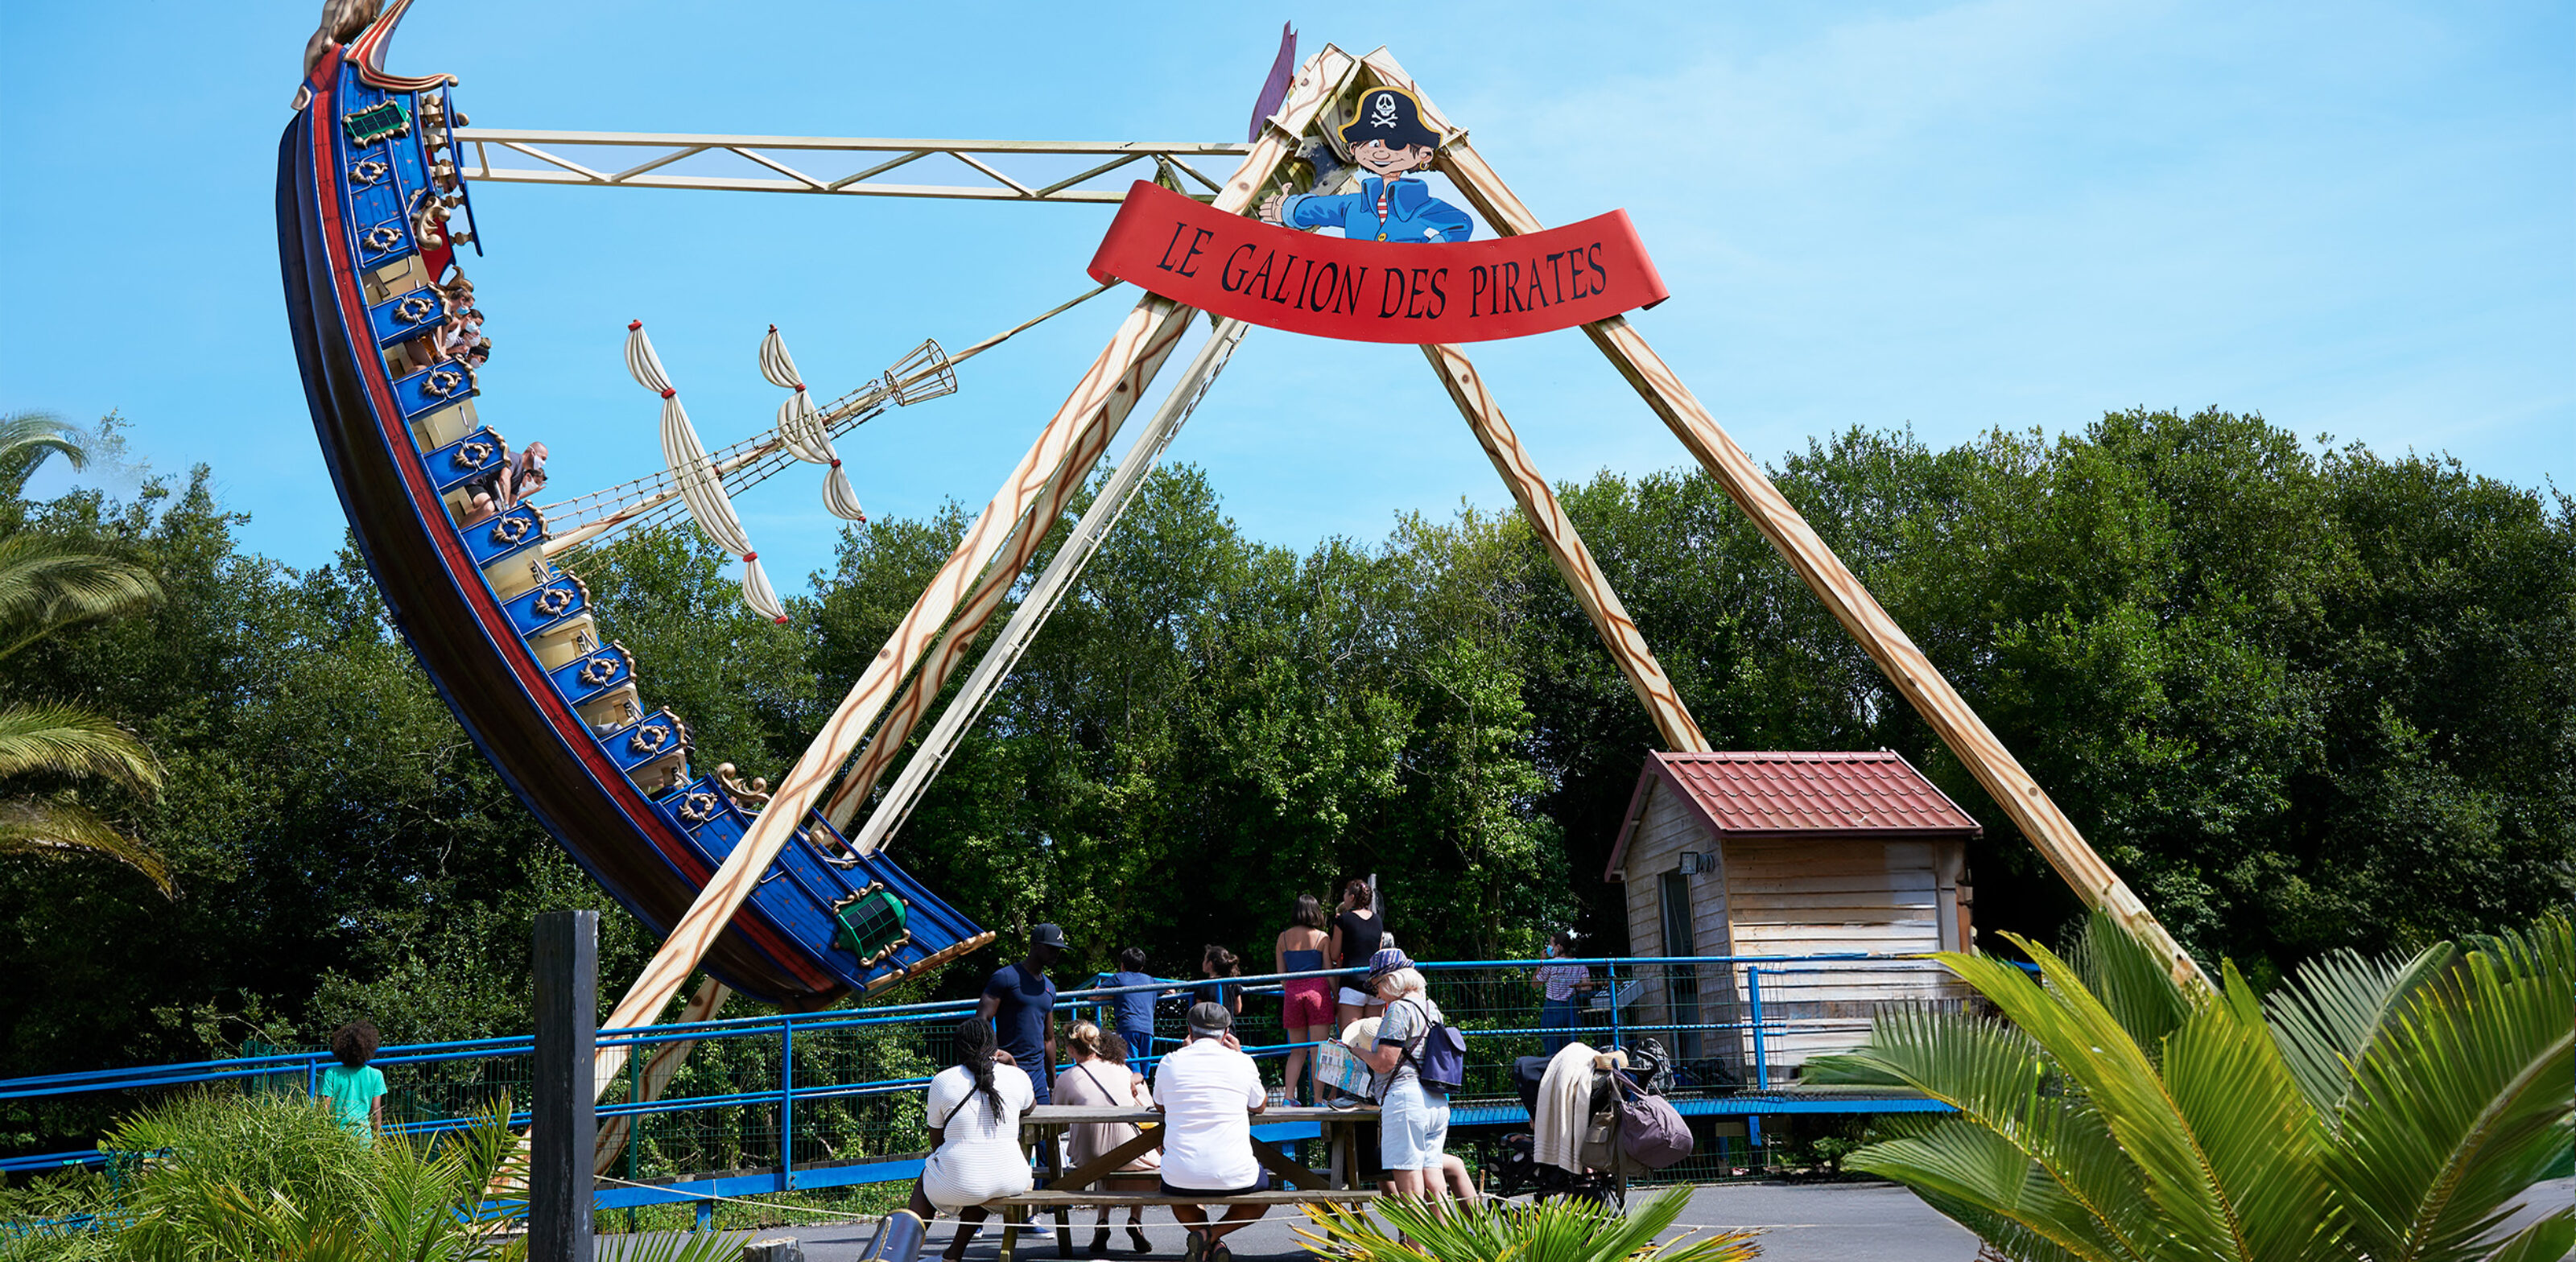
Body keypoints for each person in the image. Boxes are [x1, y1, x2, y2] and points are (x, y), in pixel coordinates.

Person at [1257, 86, 1473, 244]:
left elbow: (1461, 223)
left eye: (1395, 143)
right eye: (1370, 142)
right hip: (1361, 294)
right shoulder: (1356, 205)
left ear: (1424, 154)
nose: (1380, 150)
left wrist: (1434, 251)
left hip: (1408, 295)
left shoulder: (1423, 207)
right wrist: (1288, 209)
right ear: (1354, 149)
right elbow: (1321, 209)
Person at [908, 1016, 1037, 1262]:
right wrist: (1012, 1063)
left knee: (930, 1178)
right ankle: (952, 1254)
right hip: (1014, 1179)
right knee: (984, 1177)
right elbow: (1029, 1106)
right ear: (994, 1045)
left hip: (965, 1180)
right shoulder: (1017, 1077)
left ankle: (903, 1252)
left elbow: (937, 1142)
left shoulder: (942, 1080)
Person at [1152, 1002, 1270, 1262]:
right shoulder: (1242, 1062)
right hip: (1236, 1174)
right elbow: (1259, 1106)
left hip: (1180, 1174)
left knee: (1178, 1195)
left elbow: (1160, 1105)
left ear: (1189, 1031)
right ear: (1227, 1031)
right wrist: (1239, 1055)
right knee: (1262, 1199)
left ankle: (1205, 1239)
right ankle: (1213, 1238)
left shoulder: (1169, 1061)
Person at [1055, 1024, 1157, 1256]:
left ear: (1071, 1050)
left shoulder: (1066, 1077)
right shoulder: (1122, 1070)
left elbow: (1057, 1120)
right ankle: (1135, 1220)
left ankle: (1102, 1221)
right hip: (1128, 1152)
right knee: (1126, 1154)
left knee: (1101, 1158)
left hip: (1088, 1158)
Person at [1358, 949, 1451, 1204]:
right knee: (1434, 1180)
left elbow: (1385, 1062)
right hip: (1436, 1100)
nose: (1376, 993)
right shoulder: (1431, 1008)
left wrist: (1360, 1052)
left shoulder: (1398, 1009)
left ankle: (1415, 1246)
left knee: (1410, 1189)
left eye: (1376, 985)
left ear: (1391, 980)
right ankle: (1444, 1243)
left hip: (1406, 1103)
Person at [980, 923, 1066, 1104]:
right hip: (1007, 1071)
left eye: (1059, 950)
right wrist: (993, 1057)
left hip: (1037, 1077)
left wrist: (1053, 1083)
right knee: (1010, 1129)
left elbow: (1049, 1039)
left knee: (1047, 1130)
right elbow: (982, 1020)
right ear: (1034, 945)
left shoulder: (1049, 988)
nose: (1056, 954)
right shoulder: (1006, 977)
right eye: (1051, 948)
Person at [1274, 894, 1332, 1106]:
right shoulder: (1322, 937)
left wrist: (1293, 990)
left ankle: (1288, 1098)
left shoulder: (1283, 938)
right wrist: (1334, 995)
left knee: (1296, 1051)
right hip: (1318, 993)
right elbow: (1329, 972)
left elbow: (1282, 975)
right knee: (1318, 1049)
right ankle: (1318, 1100)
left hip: (1292, 994)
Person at [316, 1020, 387, 1144]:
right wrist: (377, 1144)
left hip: (335, 1138)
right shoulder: (376, 1075)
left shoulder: (331, 1073)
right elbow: (376, 1111)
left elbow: (324, 1109)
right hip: (363, 1138)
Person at [1328, 879, 1385, 1031]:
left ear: (1352, 897)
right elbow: (1378, 953)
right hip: (1375, 984)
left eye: (1346, 893)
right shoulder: (1378, 920)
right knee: (1372, 1038)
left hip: (1351, 984)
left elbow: (1334, 954)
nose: (1344, 897)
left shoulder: (1343, 920)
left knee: (1350, 1039)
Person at [1531, 931, 1595, 1057]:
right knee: (1570, 1052)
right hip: (1571, 1010)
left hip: (1552, 1011)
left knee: (1552, 1053)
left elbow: (1535, 984)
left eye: (1551, 944)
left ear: (1559, 947)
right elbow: (1587, 986)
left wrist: (1541, 962)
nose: (1549, 947)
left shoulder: (1551, 964)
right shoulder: (1580, 965)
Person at [1107, 947, 1160, 1072]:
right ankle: (1144, 1089)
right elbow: (1171, 990)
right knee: (1144, 1073)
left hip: (1128, 1027)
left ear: (1122, 965)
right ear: (1141, 967)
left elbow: (1094, 995)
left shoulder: (1119, 978)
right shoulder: (1150, 980)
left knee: (1132, 1071)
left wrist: (1116, 995)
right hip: (1148, 1030)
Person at [1194, 946, 1243, 1021]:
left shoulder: (1202, 986)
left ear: (1210, 964)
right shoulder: (1233, 983)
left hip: (1209, 1030)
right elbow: (1237, 1010)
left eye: (1205, 960)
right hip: (1229, 1029)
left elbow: (1199, 1013)